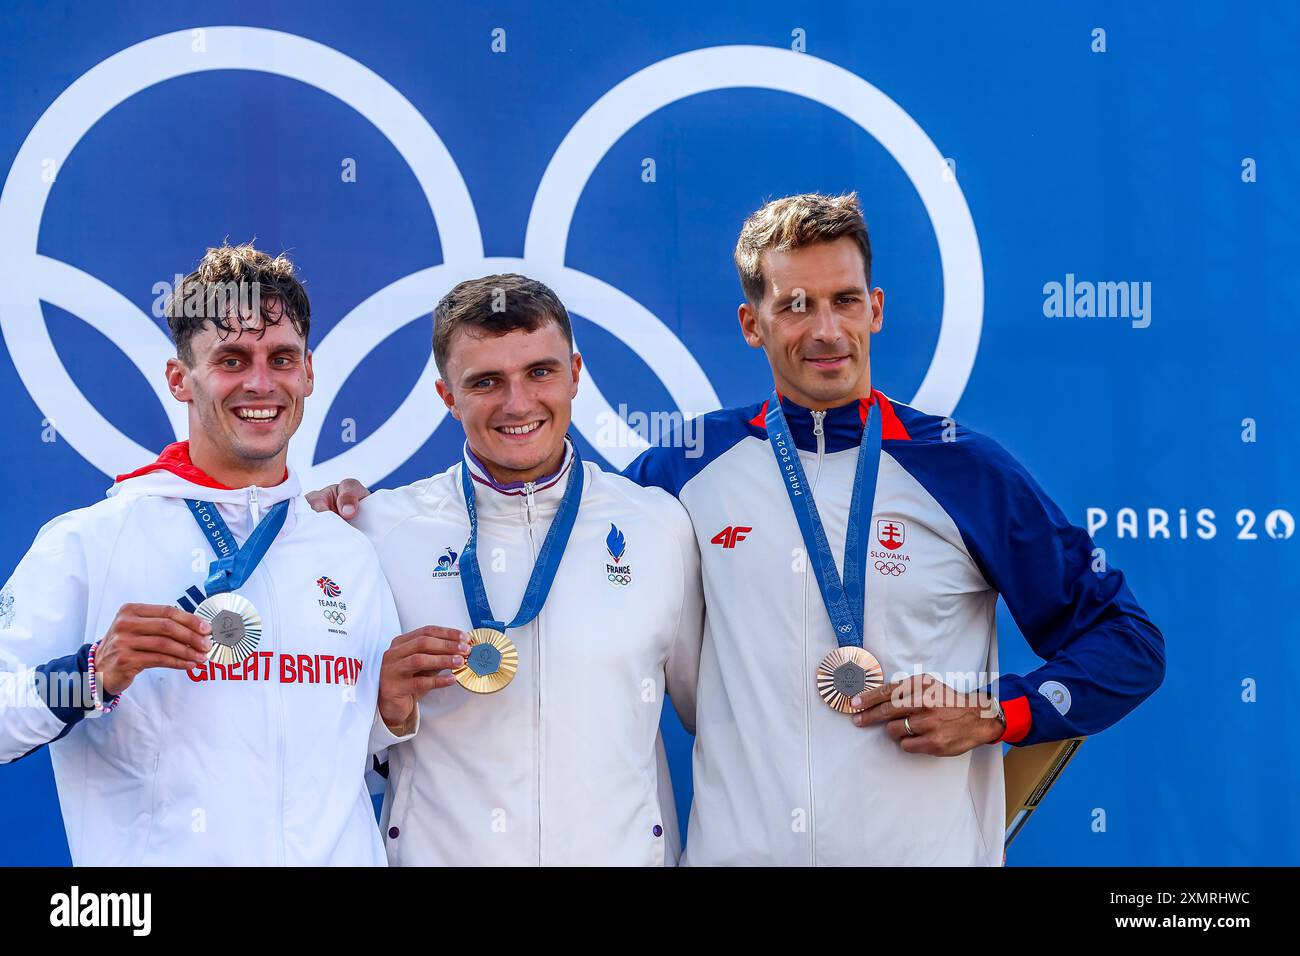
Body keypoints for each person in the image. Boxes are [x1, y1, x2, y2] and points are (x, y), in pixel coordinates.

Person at [623, 192, 1167, 866]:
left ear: (874, 309)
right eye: (795, 305)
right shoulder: (680, 471)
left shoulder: (963, 468)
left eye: (844, 301)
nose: (825, 331)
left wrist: (994, 714)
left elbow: (1128, 644)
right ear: (751, 323)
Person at [0, 243, 436, 865]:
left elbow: (339, 760)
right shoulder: (91, 542)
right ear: (181, 379)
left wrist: (389, 711)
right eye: (232, 360)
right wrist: (92, 674)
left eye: (280, 358)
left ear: (308, 373)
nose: (260, 383)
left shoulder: (347, 552)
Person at [309, 274, 703, 866]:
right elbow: (311, 740)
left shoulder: (658, 527)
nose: (517, 404)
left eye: (539, 372)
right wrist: (382, 707)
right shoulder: (377, 531)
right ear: (448, 396)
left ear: (575, 371)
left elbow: (718, 717)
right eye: (486, 382)